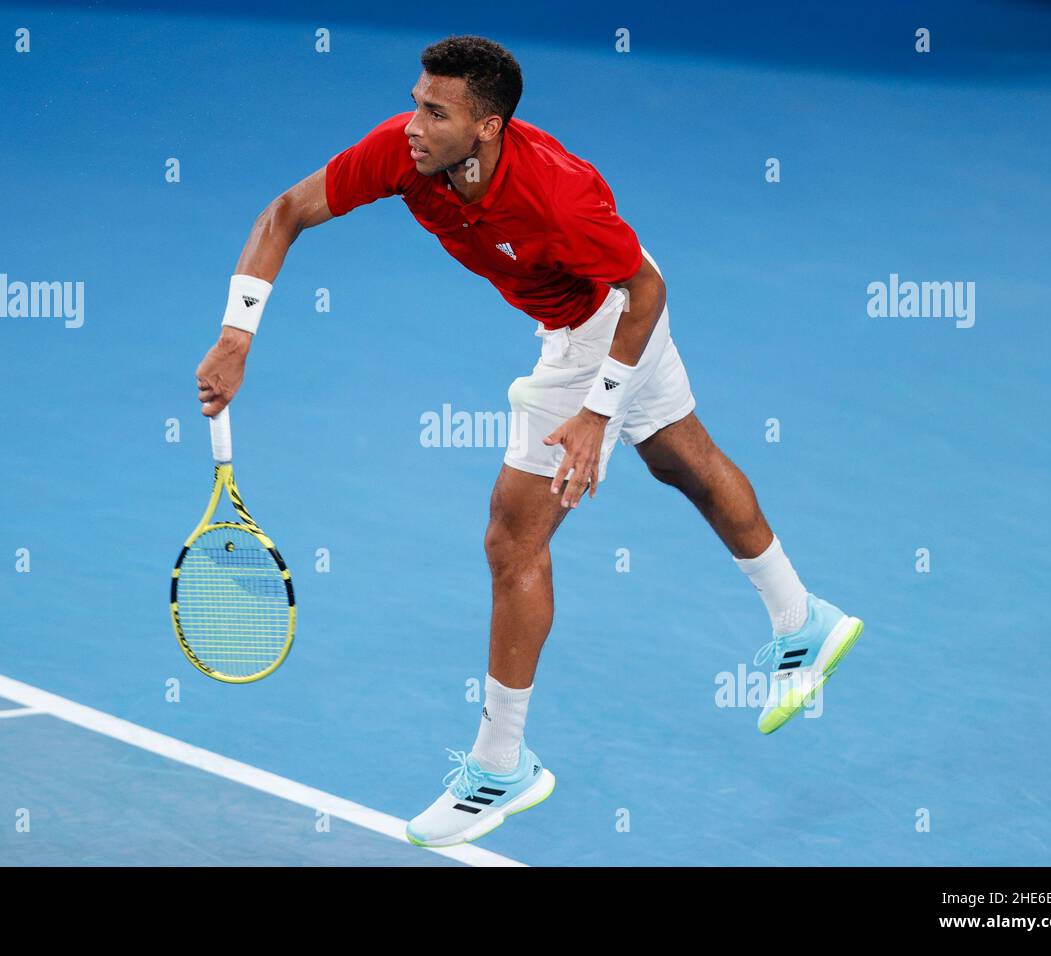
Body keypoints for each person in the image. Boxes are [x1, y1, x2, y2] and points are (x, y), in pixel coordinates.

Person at [194, 35, 865, 848]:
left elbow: (643, 289)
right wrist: (238, 336)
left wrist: (594, 410)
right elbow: (285, 213)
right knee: (679, 458)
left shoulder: (554, 195)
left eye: (435, 111)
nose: (413, 122)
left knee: (513, 537)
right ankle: (803, 619)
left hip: (612, 317)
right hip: (579, 317)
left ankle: (500, 764)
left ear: (486, 127)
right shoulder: (400, 152)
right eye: (415, 100)